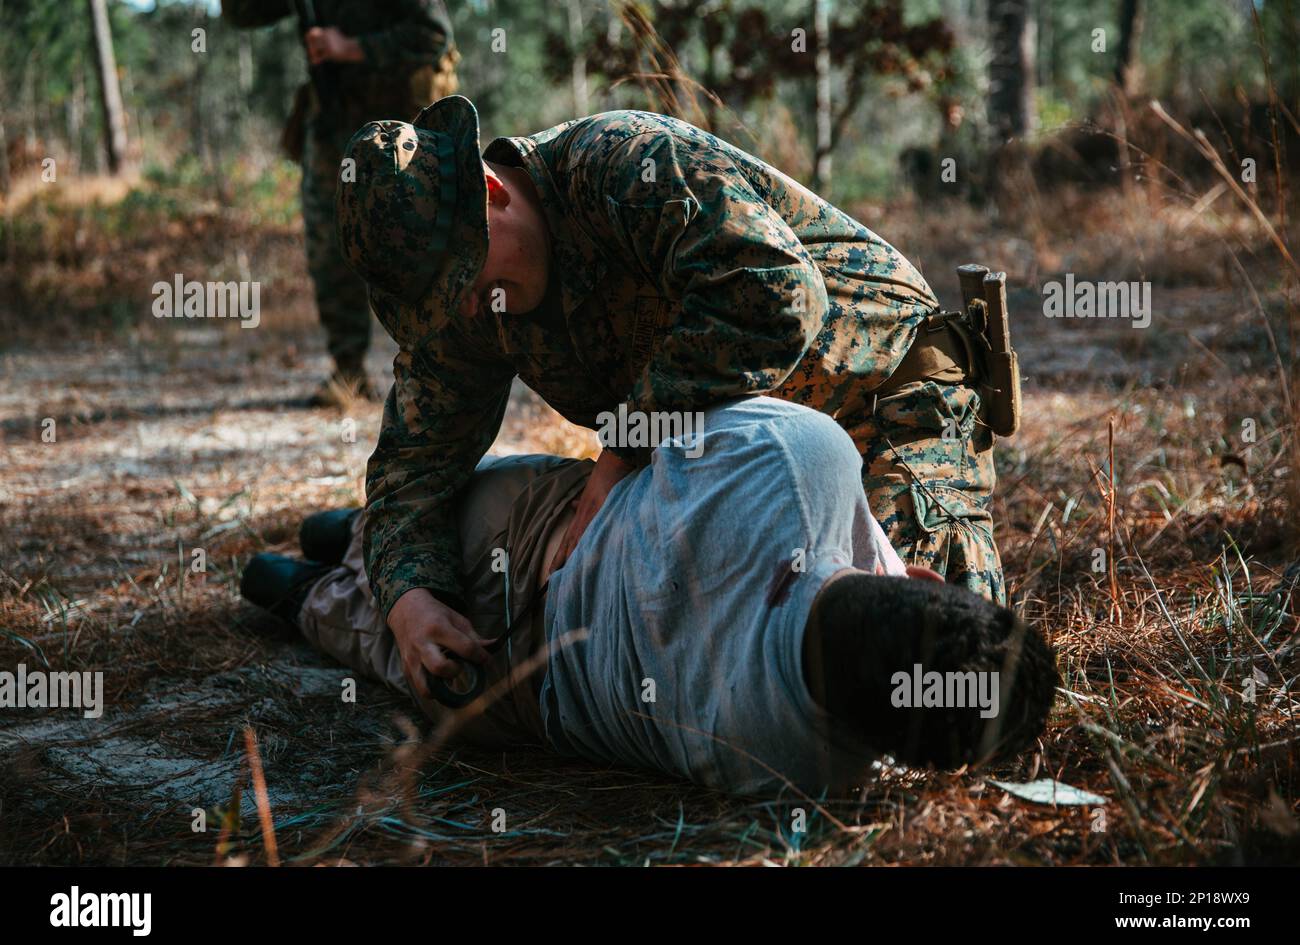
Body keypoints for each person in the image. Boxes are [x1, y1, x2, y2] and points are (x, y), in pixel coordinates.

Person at [333, 96, 1010, 702]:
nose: (466, 307)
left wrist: (624, 448)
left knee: (923, 671)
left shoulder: (623, 163)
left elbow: (776, 296)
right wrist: (410, 600)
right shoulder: (464, 307)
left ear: (491, 192)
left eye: (464, 278)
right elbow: (410, 474)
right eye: (440, 300)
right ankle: (325, 565)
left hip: (886, 395)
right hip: (736, 462)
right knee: (729, 647)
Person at [241, 398, 1056, 796]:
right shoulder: (803, 773)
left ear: (920, 580)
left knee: (408, 524)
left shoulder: (801, 452)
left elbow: (653, 409)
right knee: (321, 602)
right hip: (507, 685)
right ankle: (309, 584)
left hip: (527, 529)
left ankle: (348, 533)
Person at [223, 0, 459, 404]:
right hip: (331, 126)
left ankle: (439, 370)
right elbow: (243, 13)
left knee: (415, 246)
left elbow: (434, 36)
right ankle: (348, 371)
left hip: (397, 131)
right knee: (329, 247)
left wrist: (351, 47)